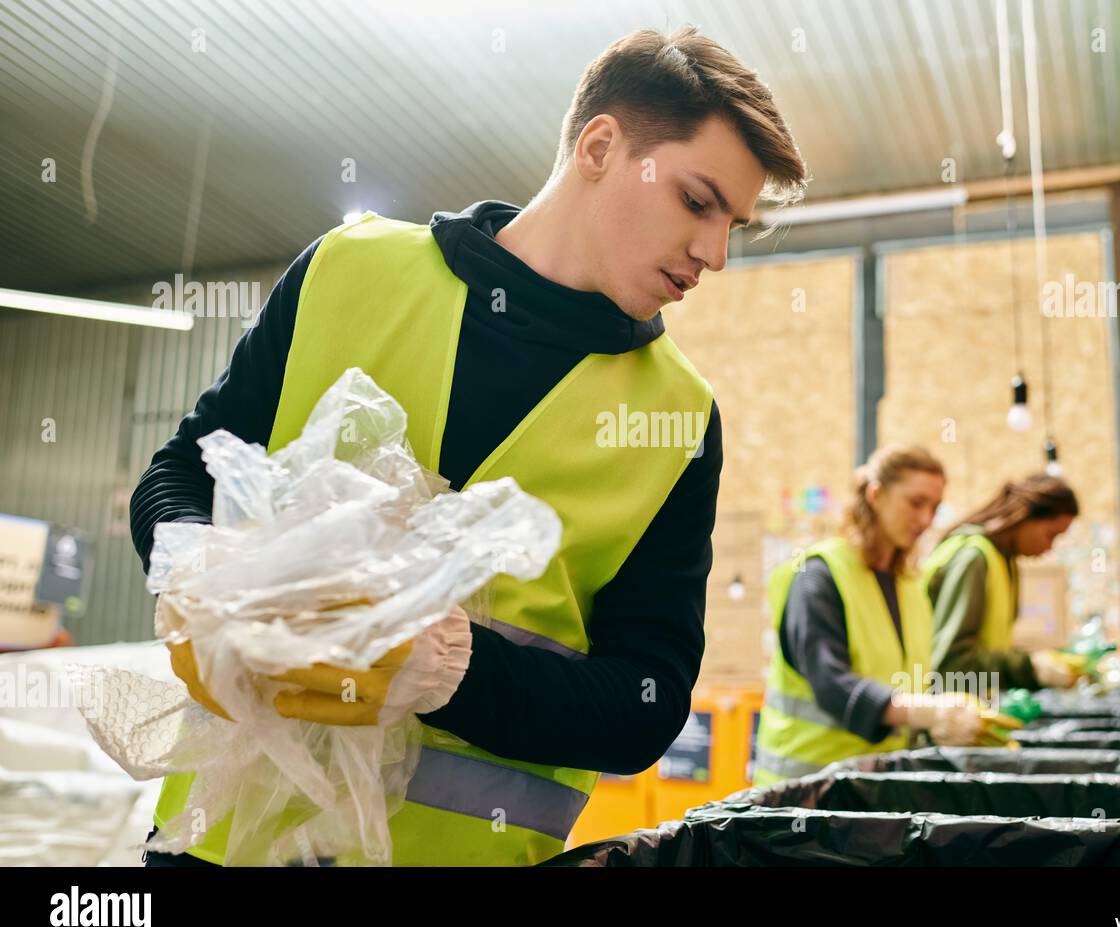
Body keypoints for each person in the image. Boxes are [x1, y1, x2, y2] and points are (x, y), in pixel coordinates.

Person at [129, 26, 807, 866]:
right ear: (601, 145)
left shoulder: (678, 421)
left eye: (734, 222)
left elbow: (647, 702)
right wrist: (194, 568)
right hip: (219, 848)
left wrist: (452, 670)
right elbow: (183, 469)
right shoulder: (350, 270)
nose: (716, 253)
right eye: (698, 203)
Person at [752, 446, 998, 787]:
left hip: (873, 789)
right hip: (801, 796)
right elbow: (832, 684)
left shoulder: (910, 586)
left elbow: (908, 679)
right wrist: (925, 713)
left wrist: (951, 714)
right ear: (876, 495)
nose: (926, 520)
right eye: (916, 503)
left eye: (935, 508)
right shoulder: (818, 576)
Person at [923, 474, 1082, 692]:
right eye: (1050, 534)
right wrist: (1028, 668)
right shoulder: (973, 559)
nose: (1049, 547)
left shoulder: (1003, 561)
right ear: (1024, 516)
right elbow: (952, 665)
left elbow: (990, 646)